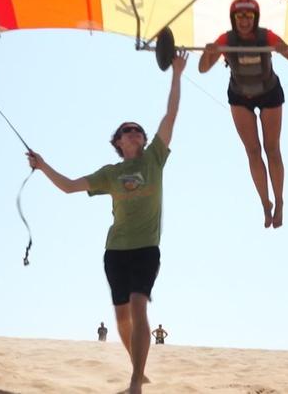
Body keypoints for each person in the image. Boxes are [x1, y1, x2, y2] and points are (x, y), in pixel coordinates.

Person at [27, 50, 187, 394]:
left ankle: (134, 382)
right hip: (115, 251)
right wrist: (42, 167)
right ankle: (138, 368)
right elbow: (70, 186)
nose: (134, 134)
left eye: (138, 131)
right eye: (127, 132)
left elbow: (170, 116)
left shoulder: (154, 159)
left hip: (146, 249)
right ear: (118, 142)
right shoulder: (110, 174)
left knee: (139, 306)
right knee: (121, 318)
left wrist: (177, 73)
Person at [198, 0, 288, 228]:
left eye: (248, 16)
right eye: (239, 17)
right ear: (233, 19)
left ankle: (280, 201)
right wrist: (209, 53)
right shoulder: (226, 39)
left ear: (255, 19)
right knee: (253, 151)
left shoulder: (267, 37)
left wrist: (285, 49)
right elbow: (203, 68)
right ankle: (266, 204)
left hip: (269, 92)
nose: (244, 21)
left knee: (272, 149)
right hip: (240, 96)